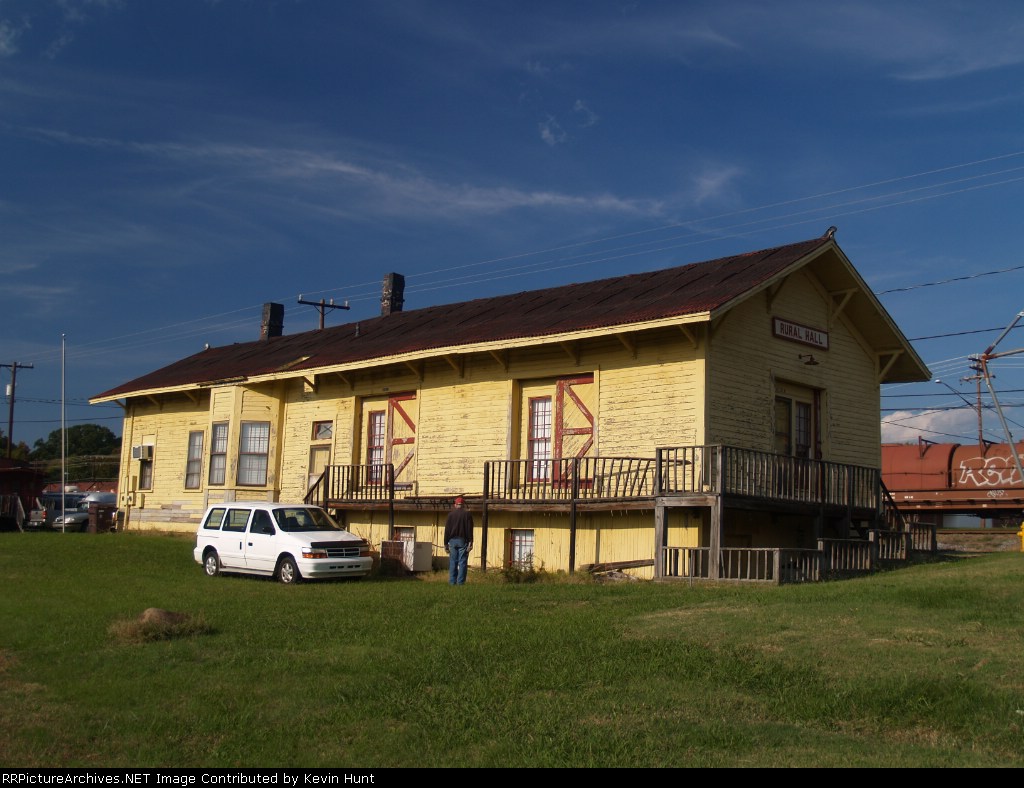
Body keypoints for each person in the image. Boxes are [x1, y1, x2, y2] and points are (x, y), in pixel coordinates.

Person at [443, 495, 474, 585]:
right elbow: (469, 529)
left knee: (453, 562)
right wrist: (470, 542)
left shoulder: (450, 515)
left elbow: (447, 530)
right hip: (462, 541)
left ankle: (452, 582)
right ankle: (460, 583)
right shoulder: (467, 515)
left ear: (455, 505)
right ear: (463, 505)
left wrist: (445, 544)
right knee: (462, 562)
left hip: (452, 541)